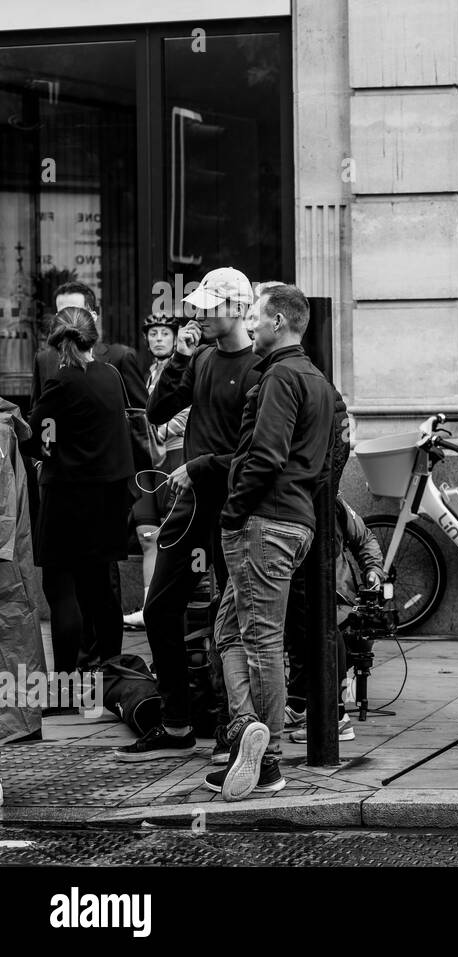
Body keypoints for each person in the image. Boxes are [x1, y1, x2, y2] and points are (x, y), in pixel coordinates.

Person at [114, 267, 260, 763]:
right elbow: (156, 413)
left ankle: (231, 723)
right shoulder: (198, 358)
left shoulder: (261, 365)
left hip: (235, 505)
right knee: (159, 607)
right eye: (198, 306)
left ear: (238, 309)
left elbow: (254, 450)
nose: (200, 314)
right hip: (192, 503)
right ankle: (176, 721)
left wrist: (201, 465)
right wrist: (178, 357)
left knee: (233, 619)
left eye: (211, 307)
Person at [204, 283, 334, 801]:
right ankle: (248, 732)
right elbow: (325, 465)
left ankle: (269, 757)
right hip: (293, 522)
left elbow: (265, 456)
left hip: (264, 522)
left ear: (279, 322)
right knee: (230, 632)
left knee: (259, 643)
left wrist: (233, 512)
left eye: (255, 315)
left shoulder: (280, 377)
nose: (249, 323)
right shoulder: (316, 380)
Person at [22, 308, 133, 689]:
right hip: (109, 501)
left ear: (56, 340)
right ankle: (115, 677)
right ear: (92, 336)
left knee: (61, 591)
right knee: (101, 592)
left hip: (68, 500)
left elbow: (34, 438)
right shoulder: (111, 376)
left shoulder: (62, 382)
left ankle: (66, 689)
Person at [285, 495, 385, 746]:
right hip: (294, 585)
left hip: (332, 591)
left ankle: (336, 717)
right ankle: (298, 705)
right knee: (300, 637)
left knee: (324, 632)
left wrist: (372, 570)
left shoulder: (332, 500)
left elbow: (364, 538)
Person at [123, 314, 190, 630]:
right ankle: (149, 606)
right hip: (146, 461)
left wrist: (155, 432)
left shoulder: (186, 368)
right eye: (153, 334)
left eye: (165, 333)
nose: (158, 339)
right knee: (146, 534)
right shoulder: (146, 373)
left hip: (175, 455)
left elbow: (187, 412)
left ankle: (166, 605)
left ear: (176, 337)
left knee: (168, 534)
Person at [0, 397, 42, 744]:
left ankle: (20, 719)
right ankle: (23, 718)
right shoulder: (6, 429)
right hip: (12, 554)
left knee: (14, 624)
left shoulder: (3, 431)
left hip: (7, 555)